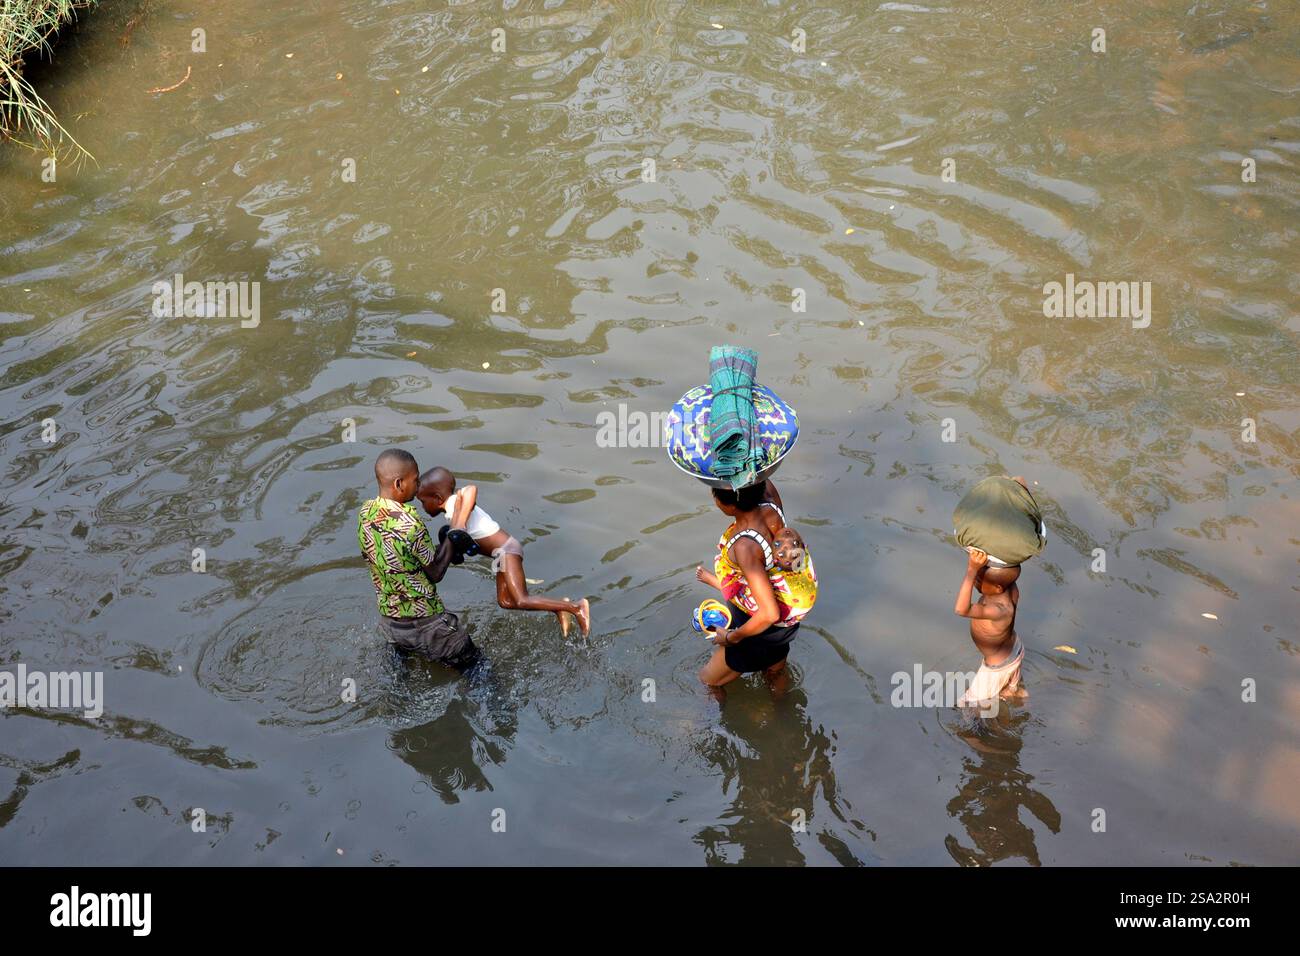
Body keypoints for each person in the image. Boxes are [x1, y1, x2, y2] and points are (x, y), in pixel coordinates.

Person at [415, 467, 591, 637]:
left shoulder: (455, 503)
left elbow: (470, 489)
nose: (423, 507)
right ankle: (560, 607)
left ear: (438, 498)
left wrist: (460, 525)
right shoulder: (451, 519)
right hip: (498, 556)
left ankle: (577, 607)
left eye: (423, 501)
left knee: (521, 599)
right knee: (505, 601)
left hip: (507, 551)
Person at [357, 448, 478, 670]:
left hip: (391, 624)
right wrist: (454, 530)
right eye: (415, 479)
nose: (418, 485)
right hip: (426, 624)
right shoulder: (409, 523)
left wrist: (445, 544)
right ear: (399, 484)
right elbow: (435, 572)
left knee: (401, 685)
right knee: (478, 670)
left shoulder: (366, 513)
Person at [696, 483, 800, 697]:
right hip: (783, 629)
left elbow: (769, 613)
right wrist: (713, 581)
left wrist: (731, 637)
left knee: (707, 681)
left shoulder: (745, 545)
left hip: (757, 634)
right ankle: (782, 713)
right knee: (774, 672)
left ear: (729, 505)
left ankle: (717, 725)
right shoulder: (771, 499)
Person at [697, 524, 817, 626]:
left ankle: (712, 584)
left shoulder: (773, 577)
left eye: (776, 543)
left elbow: (770, 613)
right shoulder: (800, 556)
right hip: (801, 608)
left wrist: (710, 579)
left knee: (742, 590)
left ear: (774, 561)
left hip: (783, 614)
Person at [953, 548, 1027, 708]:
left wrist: (971, 571)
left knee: (967, 705)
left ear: (998, 588)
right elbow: (1008, 566)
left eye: (979, 580)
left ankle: (978, 731)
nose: (975, 582)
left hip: (998, 666)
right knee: (1007, 689)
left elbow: (961, 609)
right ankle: (1014, 692)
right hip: (1014, 649)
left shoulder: (998, 609)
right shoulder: (1010, 588)